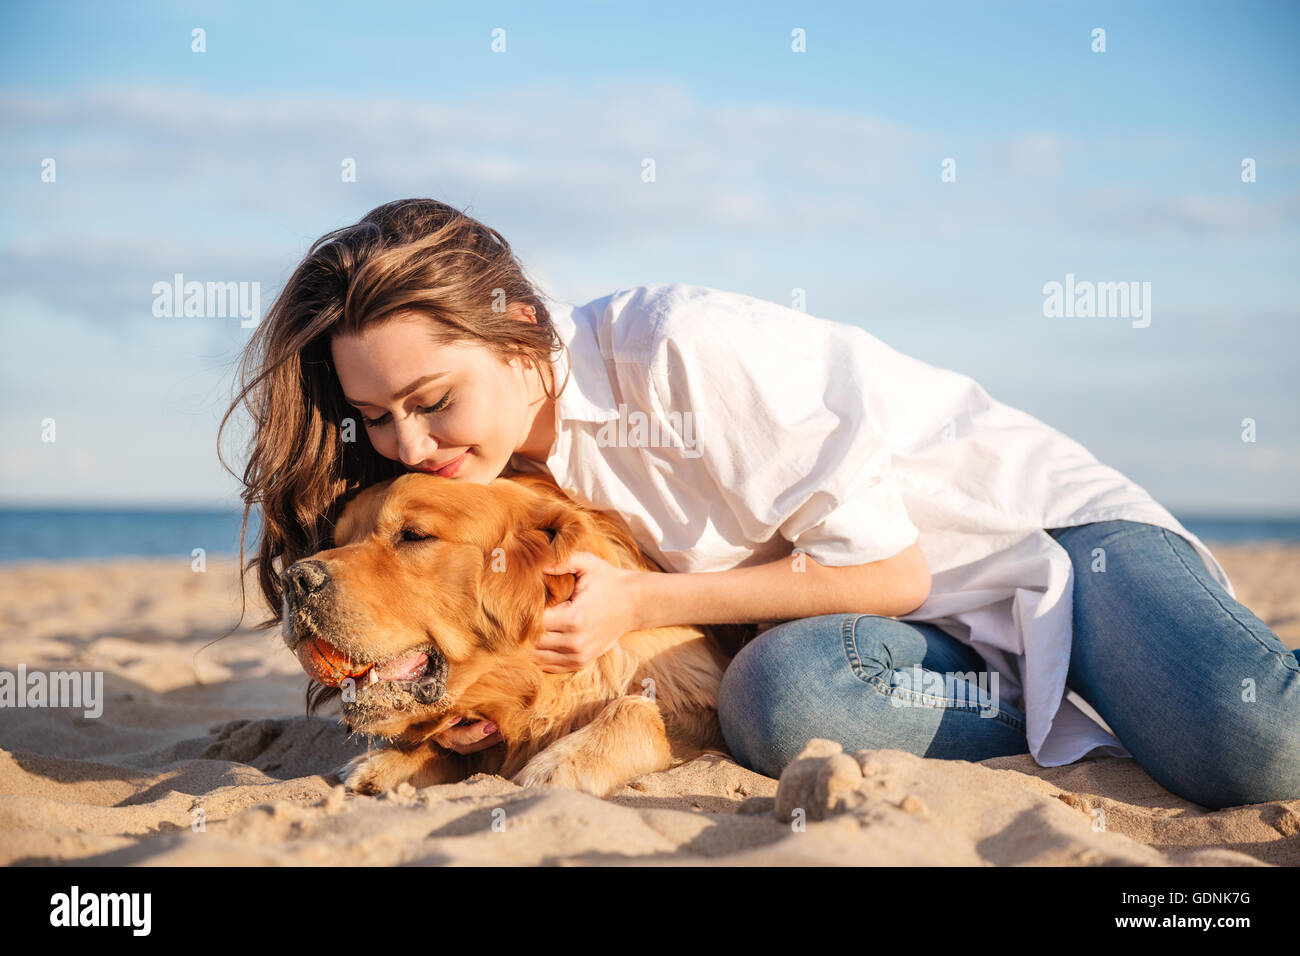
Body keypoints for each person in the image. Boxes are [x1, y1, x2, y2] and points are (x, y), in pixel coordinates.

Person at [221, 198, 1300, 811]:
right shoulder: (505, 482)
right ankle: (1058, 709)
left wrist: (639, 597)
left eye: (432, 399)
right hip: (908, 651)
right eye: (376, 415)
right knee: (772, 697)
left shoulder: (679, 351)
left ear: (516, 335)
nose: (411, 444)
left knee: (1255, 747)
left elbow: (896, 571)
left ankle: (1143, 682)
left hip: (1047, 556)